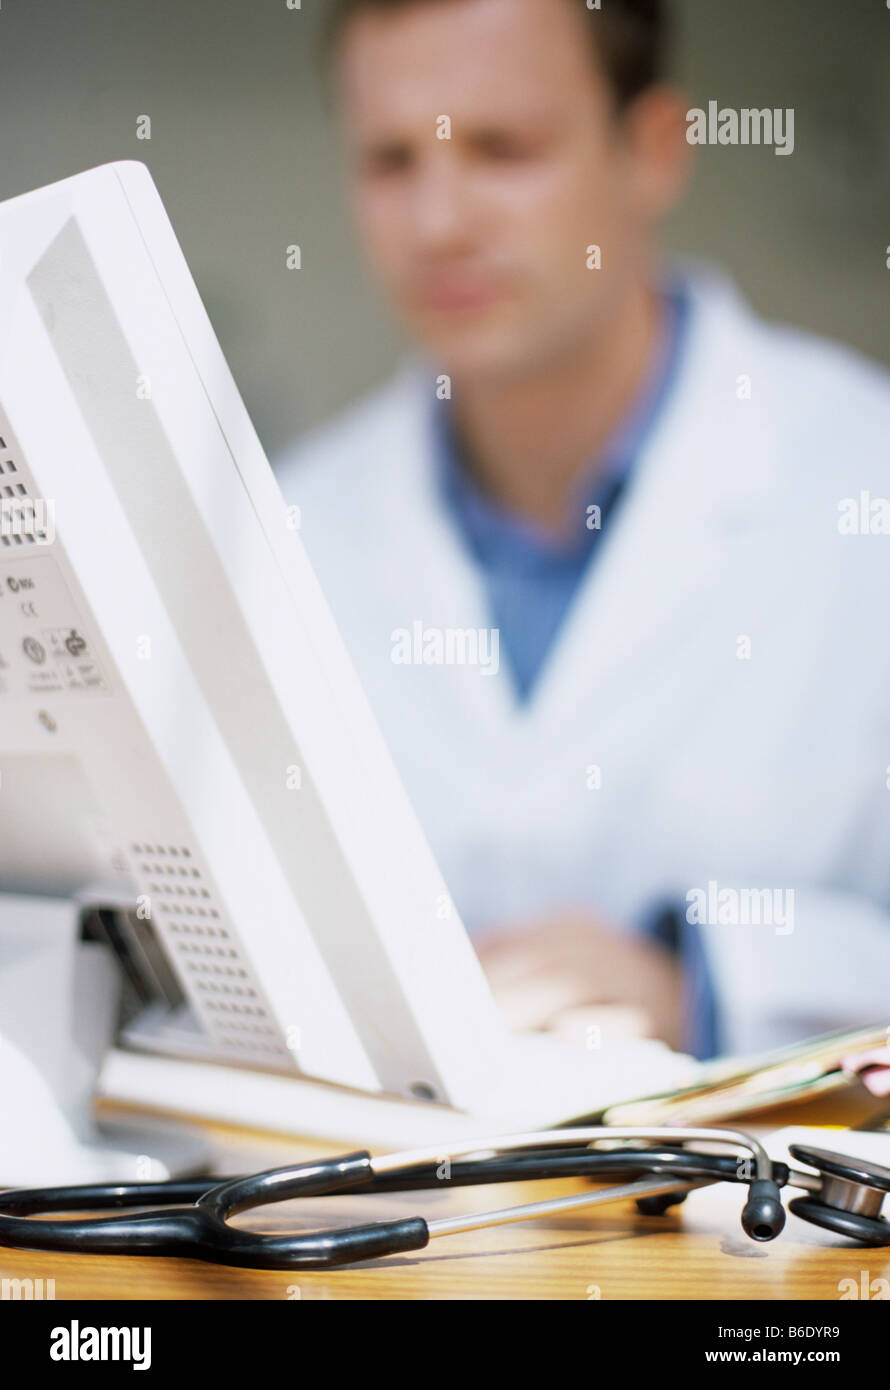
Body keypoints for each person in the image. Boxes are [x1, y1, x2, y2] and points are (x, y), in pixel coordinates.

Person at [276, 0, 890, 1059]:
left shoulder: (855, 474)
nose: (436, 224)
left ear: (651, 150)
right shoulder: (286, 522)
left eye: (502, 149)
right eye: (388, 162)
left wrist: (700, 977)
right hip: (387, 1209)